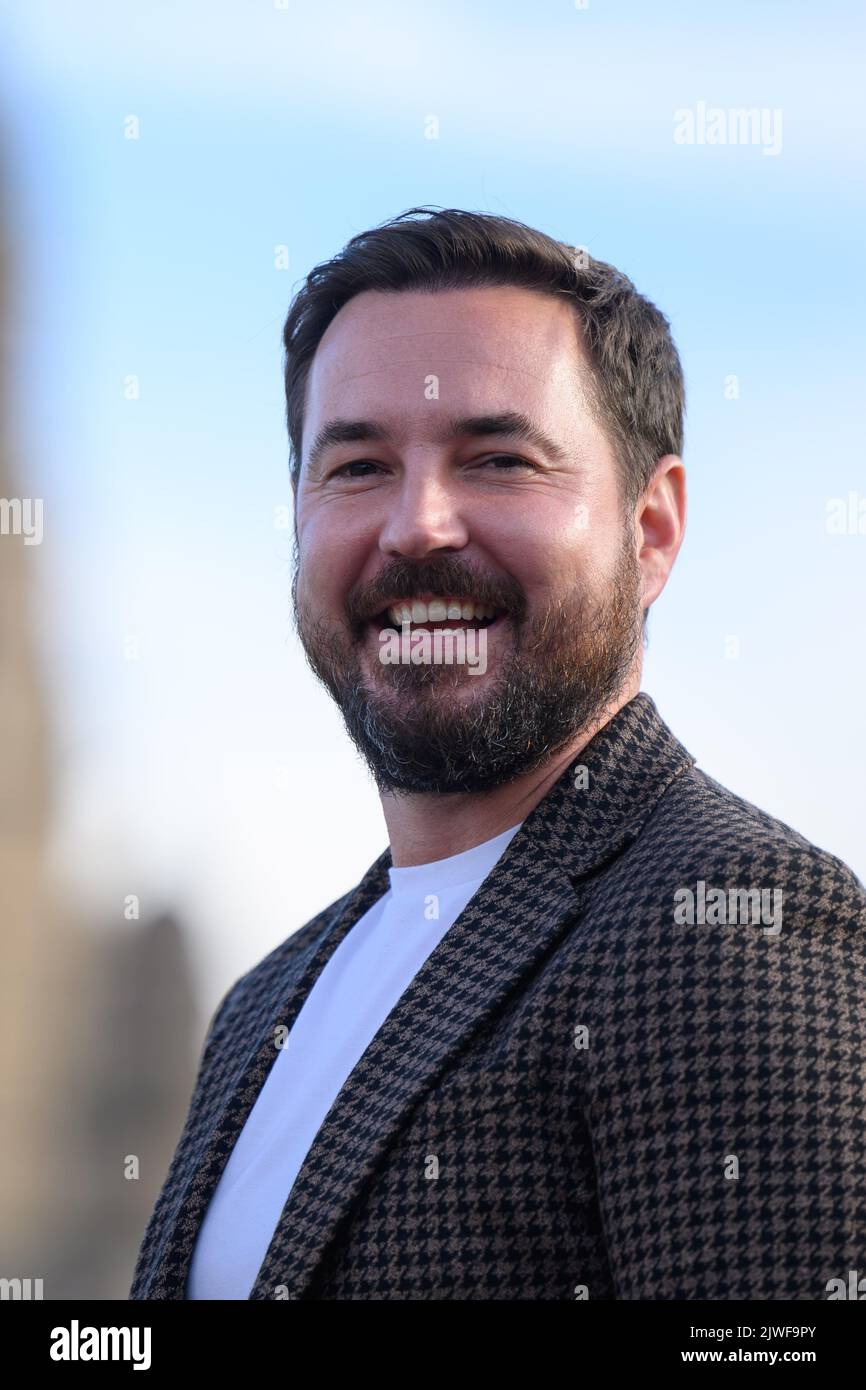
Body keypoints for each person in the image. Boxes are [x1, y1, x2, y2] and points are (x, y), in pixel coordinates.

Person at [130, 207, 866, 1301]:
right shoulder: (261, 1004)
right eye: (359, 466)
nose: (417, 524)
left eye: (498, 458)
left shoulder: (732, 926)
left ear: (650, 527)